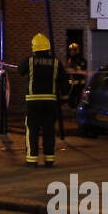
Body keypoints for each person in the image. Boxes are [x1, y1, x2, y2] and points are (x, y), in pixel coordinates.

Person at [19, 33, 69, 167]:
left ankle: (32, 160)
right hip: (50, 102)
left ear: (34, 47)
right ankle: (49, 160)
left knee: (32, 130)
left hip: (33, 101)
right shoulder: (56, 62)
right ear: (48, 47)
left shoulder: (29, 61)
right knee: (49, 131)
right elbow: (65, 80)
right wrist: (64, 97)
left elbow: (20, 70)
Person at [65, 41, 88, 108]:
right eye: (70, 50)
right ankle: (72, 109)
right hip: (72, 83)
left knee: (79, 98)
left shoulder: (81, 60)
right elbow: (68, 69)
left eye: (73, 50)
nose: (71, 52)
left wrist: (77, 67)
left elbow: (83, 68)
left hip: (80, 83)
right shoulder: (69, 60)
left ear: (77, 50)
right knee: (71, 99)